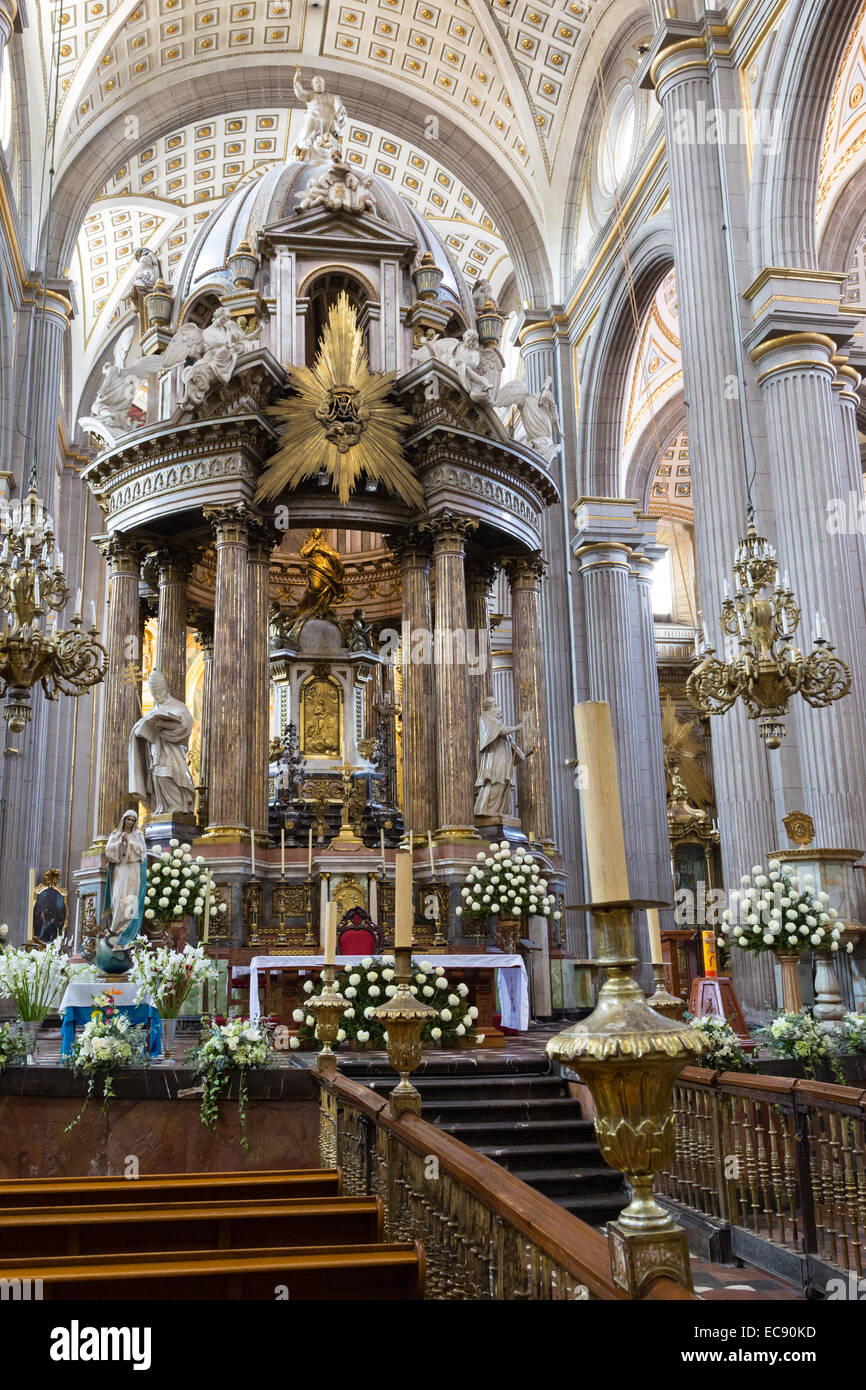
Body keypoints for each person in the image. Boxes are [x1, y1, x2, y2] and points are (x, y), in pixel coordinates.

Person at [129, 670, 196, 815]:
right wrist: (139, 728)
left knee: (168, 775)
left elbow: (185, 725)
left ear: (164, 689)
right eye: (153, 692)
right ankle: (163, 808)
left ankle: (177, 806)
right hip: (157, 751)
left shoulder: (178, 706)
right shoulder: (154, 710)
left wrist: (164, 726)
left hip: (172, 752)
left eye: (158, 691)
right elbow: (143, 729)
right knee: (158, 777)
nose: (156, 695)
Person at [474, 696, 532, 818]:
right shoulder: (486, 718)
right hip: (495, 759)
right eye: (495, 705)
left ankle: (498, 811)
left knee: (503, 782)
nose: (498, 708)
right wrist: (520, 727)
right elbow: (502, 730)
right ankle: (487, 810)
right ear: (488, 708)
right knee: (496, 781)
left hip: (502, 758)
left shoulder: (494, 721)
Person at [103, 810, 147, 946]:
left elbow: (143, 851)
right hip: (121, 867)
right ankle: (115, 927)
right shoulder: (115, 834)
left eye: (133, 820)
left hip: (133, 868)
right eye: (128, 820)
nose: (130, 823)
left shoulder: (138, 835)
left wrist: (130, 843)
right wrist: (120, 843)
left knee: (131, 895)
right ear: (123, 820)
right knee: (118, 895)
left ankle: (127, 927)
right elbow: (108, 851)